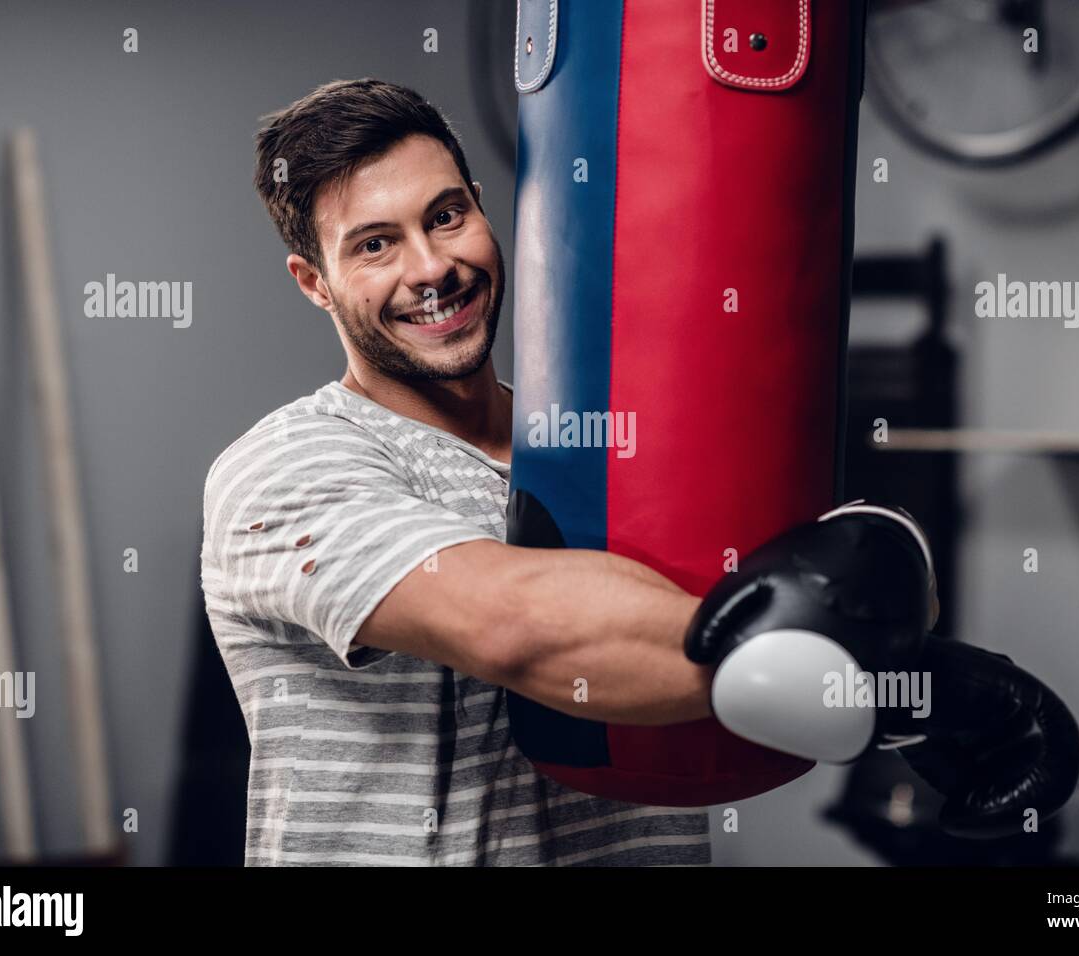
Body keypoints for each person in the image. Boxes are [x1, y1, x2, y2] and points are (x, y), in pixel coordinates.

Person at [201, 79, 716, 866]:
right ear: (314, 283)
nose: (432, 268)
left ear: (479, 207)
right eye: (375, 244)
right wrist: (850, 655)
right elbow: (519, 629)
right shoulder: (285, 466)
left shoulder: (609, 440)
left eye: (446, 217)